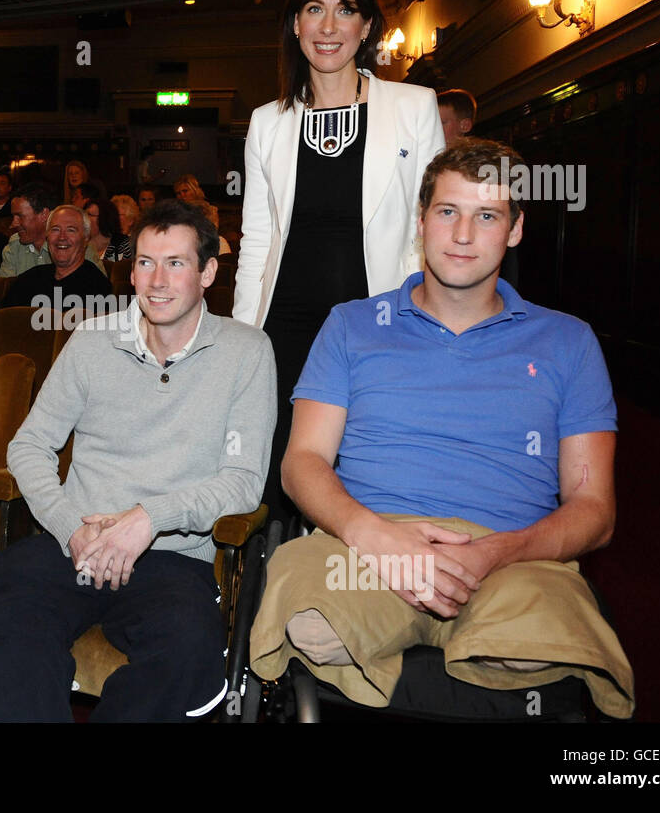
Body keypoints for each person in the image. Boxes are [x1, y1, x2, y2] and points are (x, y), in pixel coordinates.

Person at [248, 139, 634, 720]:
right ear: (421, 221)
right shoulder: (353, 326)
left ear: (516, 229)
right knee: (309, 621)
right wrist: (382, 540)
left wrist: (495, 554)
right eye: (448, 212)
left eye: (487, 216)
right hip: (365, 544)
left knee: (537, 650)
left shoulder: (568, 342)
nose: (462, 234)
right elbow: (301, 463)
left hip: (513, 556)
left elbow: (593, 506)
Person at [0, 200, 276, 721]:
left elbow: (240, 483)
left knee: (185, 658)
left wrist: (147, 520)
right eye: (145, 262)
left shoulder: (247, 351)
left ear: (208, 272)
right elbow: (30, 445)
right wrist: (68, 527)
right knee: (9, 624)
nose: (157, 280)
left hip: (172, 557)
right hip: (73, 544)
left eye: (176, 263)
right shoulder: (94, 340)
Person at [234, 0, 444, 527]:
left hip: (375, 321)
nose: (329, 26)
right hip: (285, 324)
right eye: (314, 9)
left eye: (345, 11)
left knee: (362, 468)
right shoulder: (266, 122)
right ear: (296, 26)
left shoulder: (413, 107)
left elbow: (431, 227)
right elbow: (257, 239)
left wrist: (423, 319)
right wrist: (243, 338)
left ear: (367, 27)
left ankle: (353, 600)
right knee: (280, 471)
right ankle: (277, 591)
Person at [0, 206, 112, 310]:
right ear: (47, 236)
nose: (62, 237)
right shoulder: (30, 279)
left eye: (71, 230)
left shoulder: (98, 288)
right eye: (55, 229)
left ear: (86, 239)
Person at [0, 182, 55, 279]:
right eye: (13, 216)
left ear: (44, 214)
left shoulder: (67, 246)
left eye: (20, 216)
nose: (14, 223)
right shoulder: (14, 246)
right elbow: (3, 289)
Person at [78, 186, 131, 262]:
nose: (84, 219)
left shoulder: (124, 245)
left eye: (89, 214)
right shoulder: (80, 247)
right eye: (84, 214)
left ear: (104, 218)